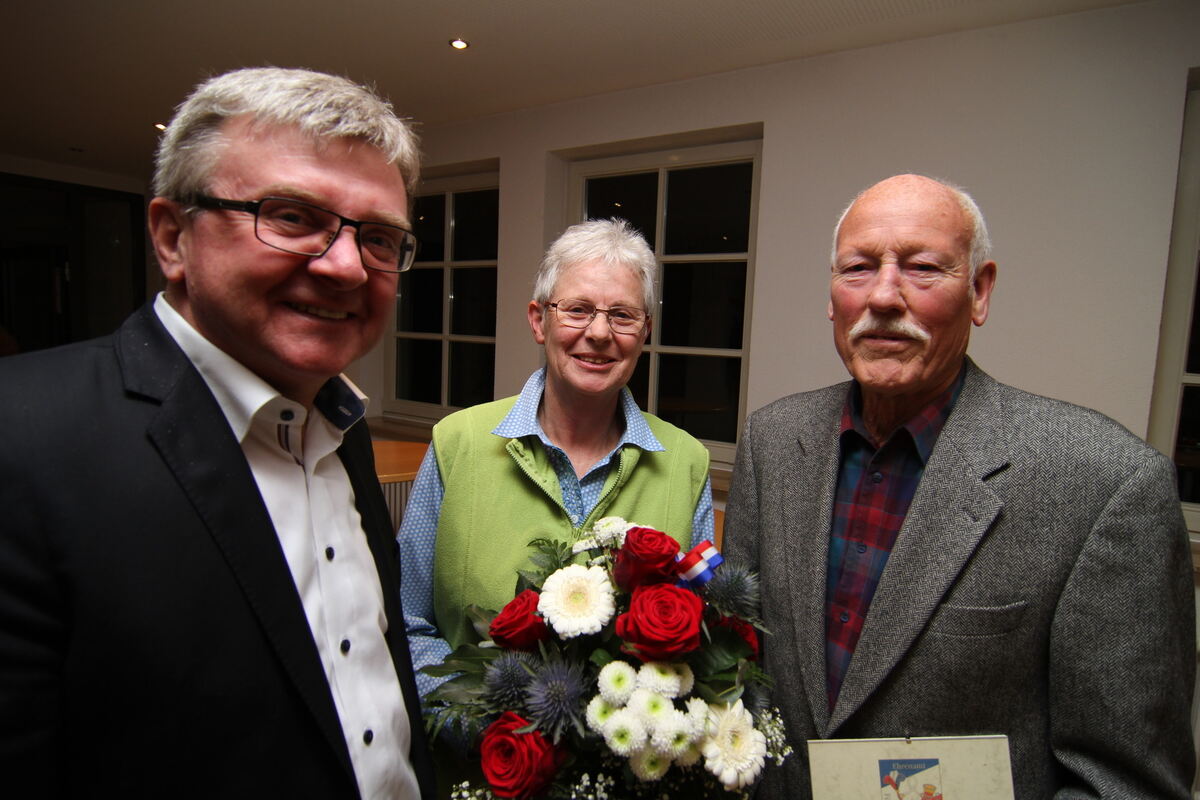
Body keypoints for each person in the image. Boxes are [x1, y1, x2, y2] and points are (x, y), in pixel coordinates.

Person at [0, 67, 435, 798]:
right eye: (293, 216)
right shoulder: (21, 436)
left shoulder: (341, 427)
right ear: (172, 237)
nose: (346, 265)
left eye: (381, 238)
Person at [724, 174, 1195, 799]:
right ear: (831, 296)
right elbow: (738, 673)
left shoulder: (1105, 483)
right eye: (858, 267)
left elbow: (1126, 783)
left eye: (923, 268)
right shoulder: (773, 440)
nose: (884, 296)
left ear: (980, 291)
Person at [400, 218, 714, 694]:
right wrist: (477, 723)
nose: (600, 333)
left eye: (623, 315)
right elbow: (404, 622)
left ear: (645, 331)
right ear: (537, 320)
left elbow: (702, 641)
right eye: (578, 310)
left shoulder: (686, 463)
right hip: (474, 758)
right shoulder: (456, 444)